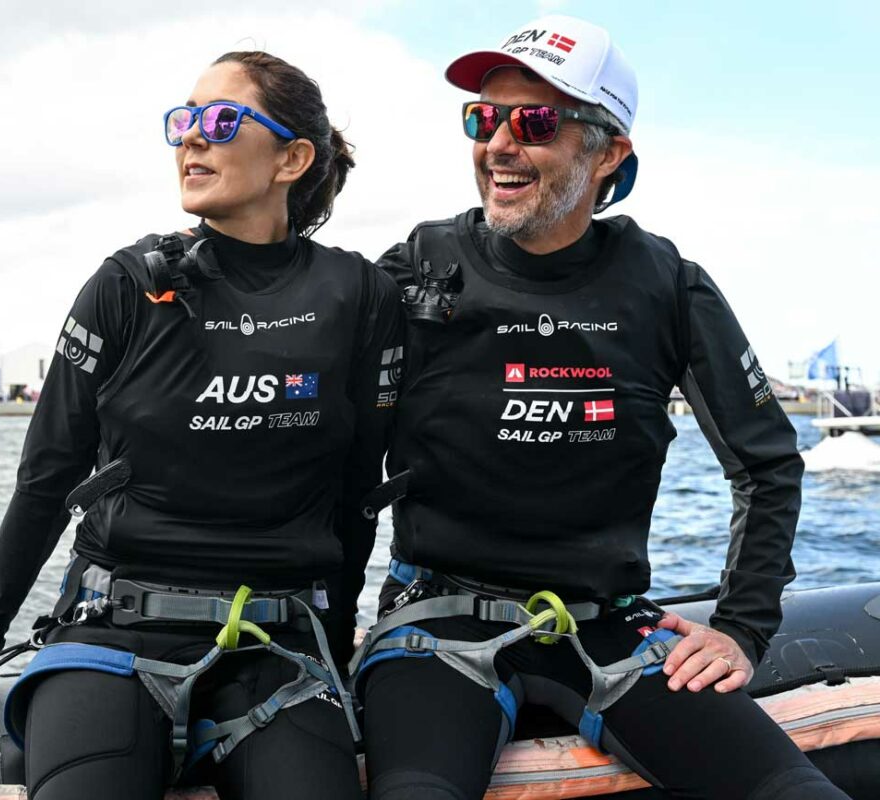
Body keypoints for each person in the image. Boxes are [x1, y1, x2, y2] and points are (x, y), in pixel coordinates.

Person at [353, 15, 849, 800]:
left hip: (612, 627)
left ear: (609, 151)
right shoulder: (422, 265)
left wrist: (742, 629)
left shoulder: (666, 283)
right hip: (437, 624)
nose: (500, 145)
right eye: (484, 119)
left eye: (537, 121)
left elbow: (766, 463)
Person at [0, 50, 403, 800]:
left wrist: (333, 646)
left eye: (222, 120)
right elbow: (47, 475)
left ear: (293, 158)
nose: (191, 139)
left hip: (277, 644)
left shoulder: (358, 295)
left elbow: (360, 493)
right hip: (113, 632)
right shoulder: (128, 285)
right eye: (185, 120)